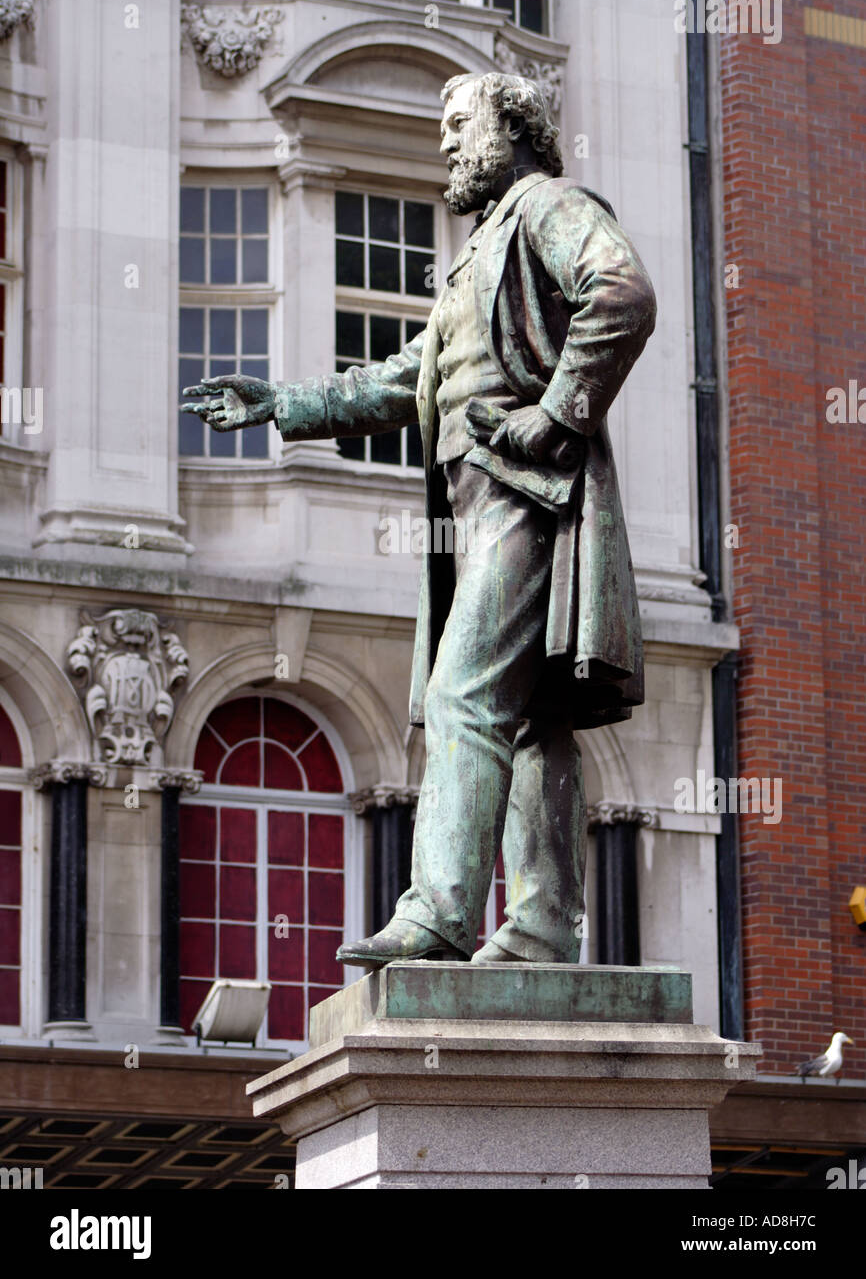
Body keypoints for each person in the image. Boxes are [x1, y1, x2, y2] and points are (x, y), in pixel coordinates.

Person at [183, 71, 656, 968]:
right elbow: (402, 382)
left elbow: (622, 294)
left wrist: (555, 414)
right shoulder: (476, 256)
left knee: (462, 694)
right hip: (479, 500)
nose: (442, 141)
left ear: (510, 125)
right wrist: (285, 401)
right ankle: (545, 929)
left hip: (528, 488)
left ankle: (438, 915)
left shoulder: (547, 206)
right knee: (529, 716)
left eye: (455, 122)